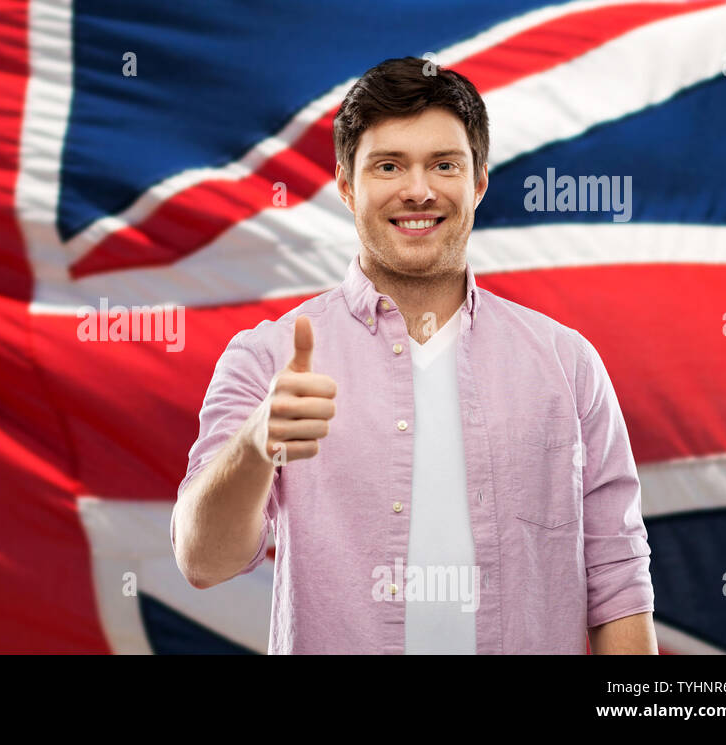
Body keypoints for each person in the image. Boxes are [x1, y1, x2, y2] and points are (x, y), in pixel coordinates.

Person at [171, 56, 656, 654]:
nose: (418, 190)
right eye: (389, 165)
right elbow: (202, 560)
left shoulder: (569, 365)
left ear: (478, 182)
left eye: (444, 164)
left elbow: (618, 582)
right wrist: (254, 442)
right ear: (348, 186)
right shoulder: (266, 359)